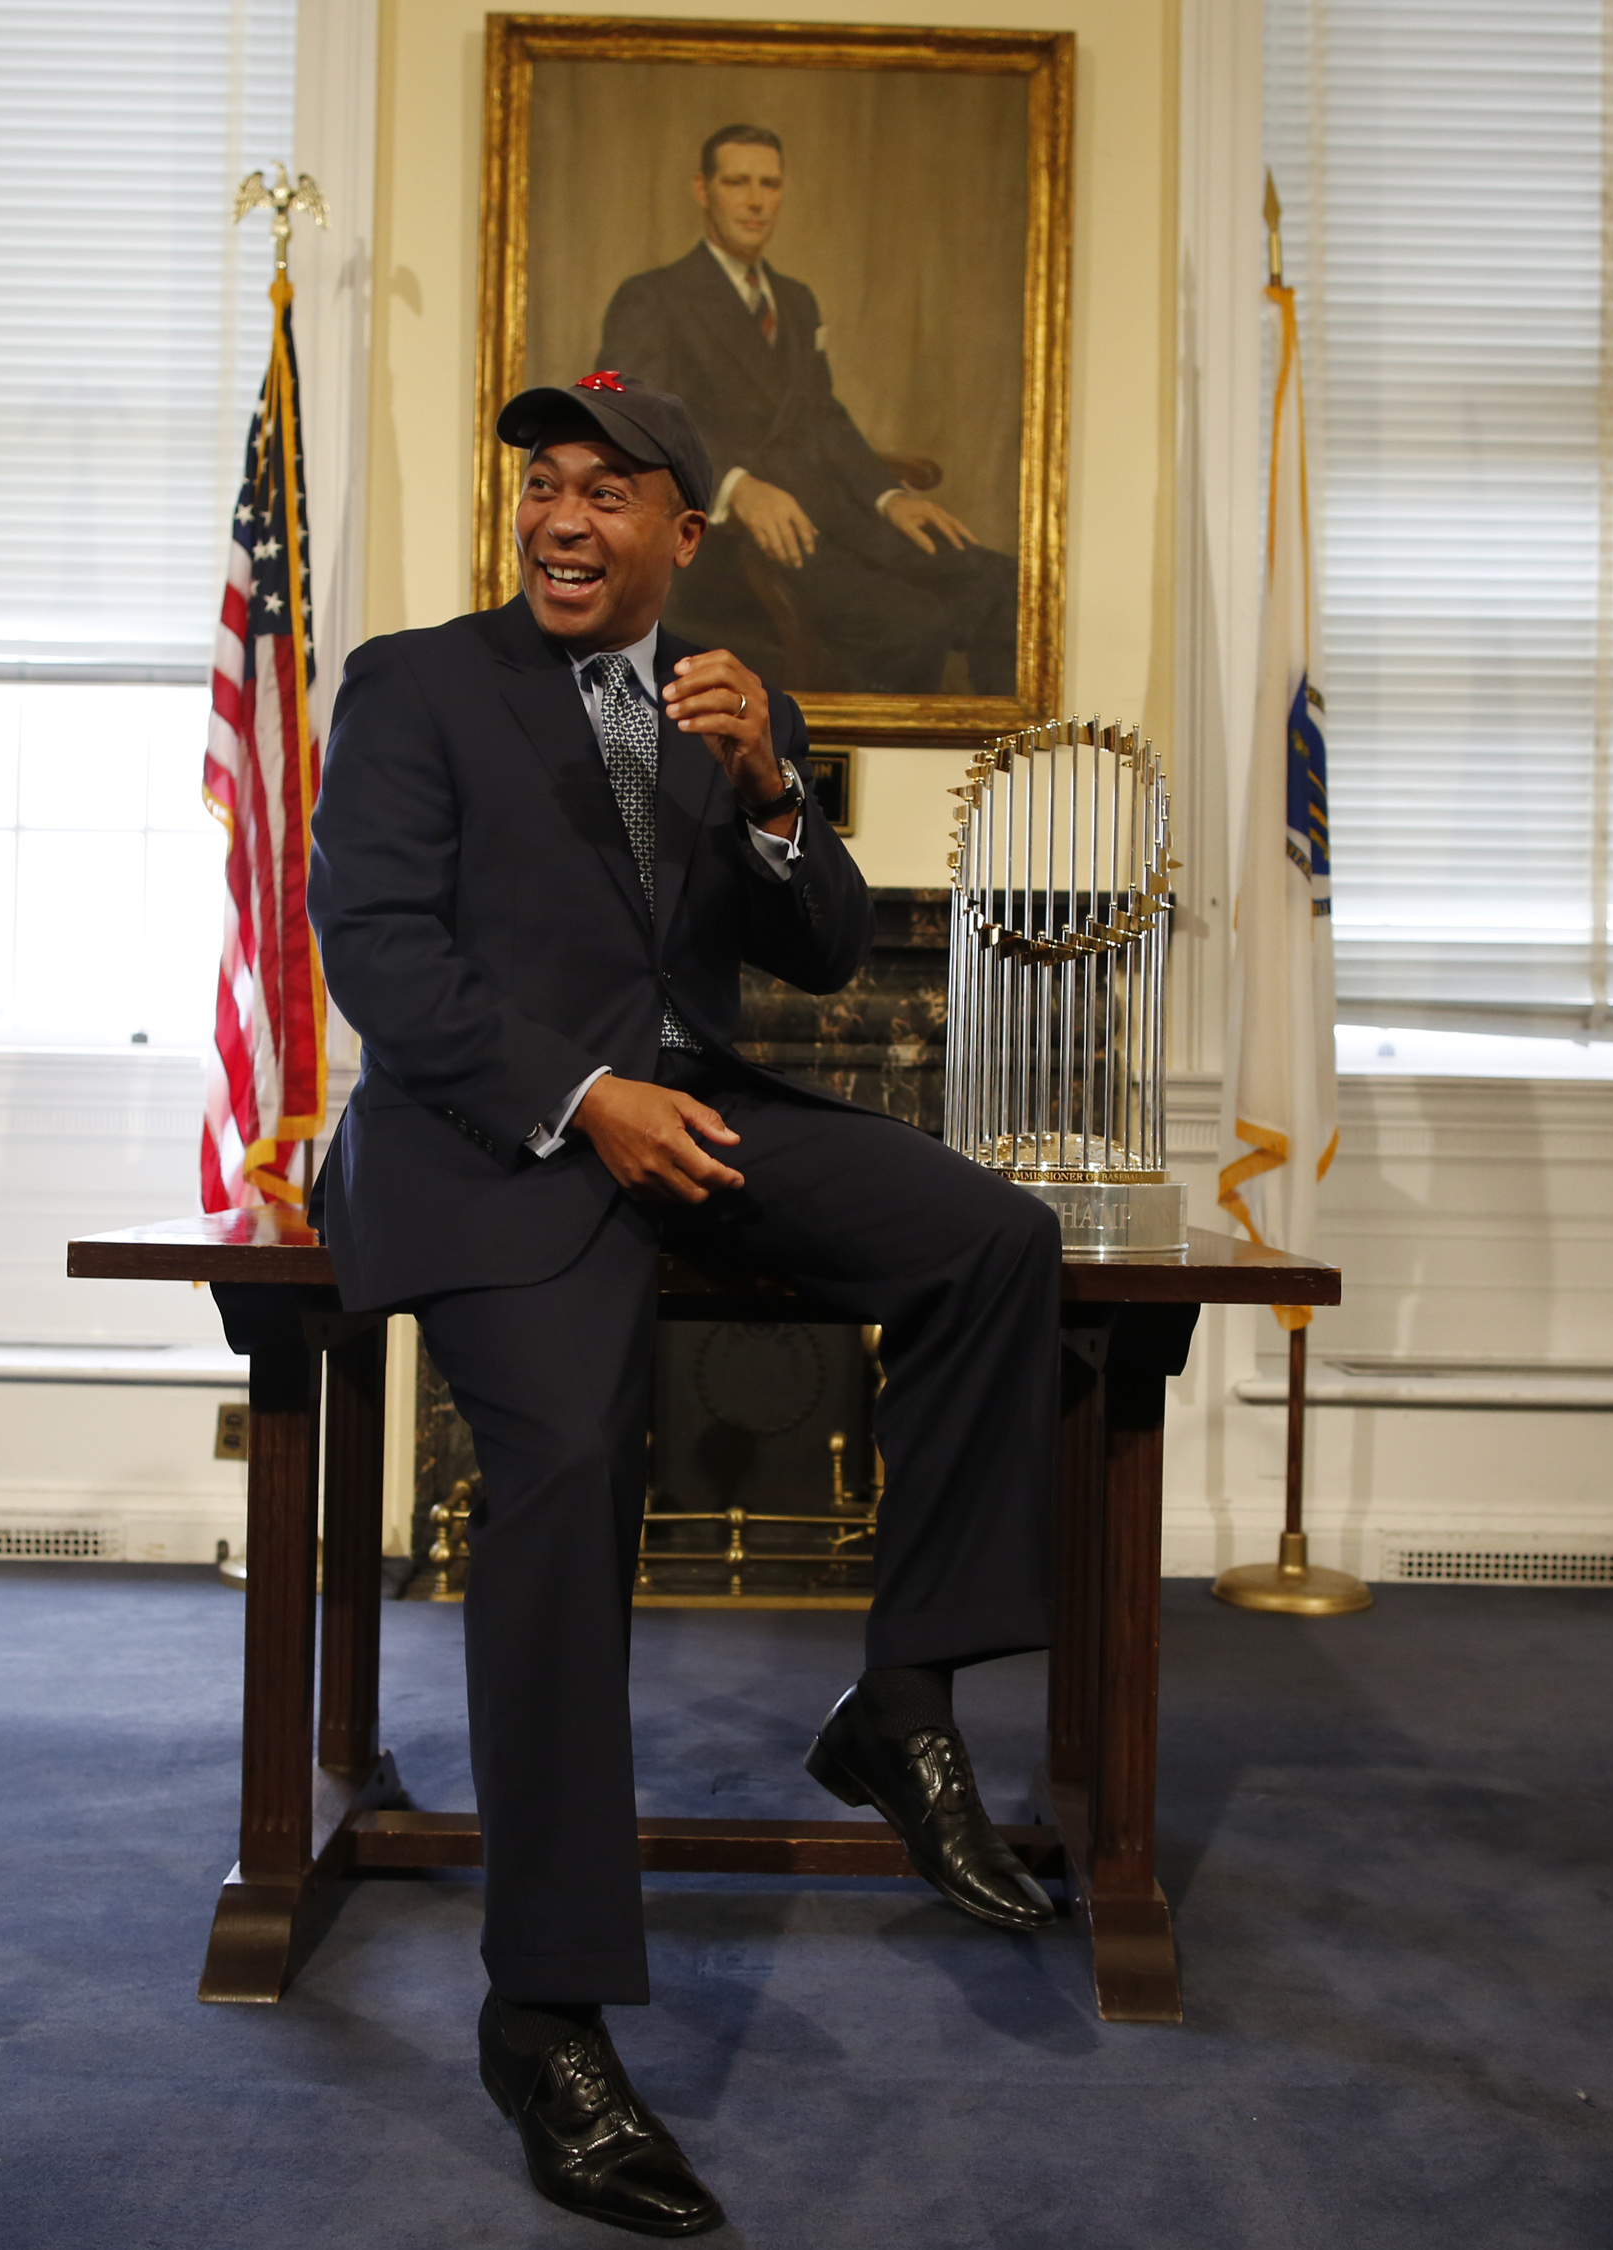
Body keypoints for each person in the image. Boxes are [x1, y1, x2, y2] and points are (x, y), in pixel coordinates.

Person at [304, 371, 1065, 2238]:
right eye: (543, 488)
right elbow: (380, 957)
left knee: (995, 1243)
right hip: (504, 1135)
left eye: (608, 494)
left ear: (682, 534)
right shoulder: (415, 685)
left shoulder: (741, 704)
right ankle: (542, 2013)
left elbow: (810, 953)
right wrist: (582, 1101)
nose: (563, 520)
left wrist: (778, 793)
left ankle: (899, 1703)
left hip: (699, 1106)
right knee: (568, 1472)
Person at [596, 122, 1020, 696]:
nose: (754, 201)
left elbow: (822, 415)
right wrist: (737, 487)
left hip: (837, 514)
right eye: (737, 182)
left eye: (768, 184)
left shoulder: (794, 300)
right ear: (703, 189)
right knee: (915, 626)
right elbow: (637, 422)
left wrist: (887, 496)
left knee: (1001, 584)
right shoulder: (653, 297)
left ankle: (1007, 763)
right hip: (738, 545)